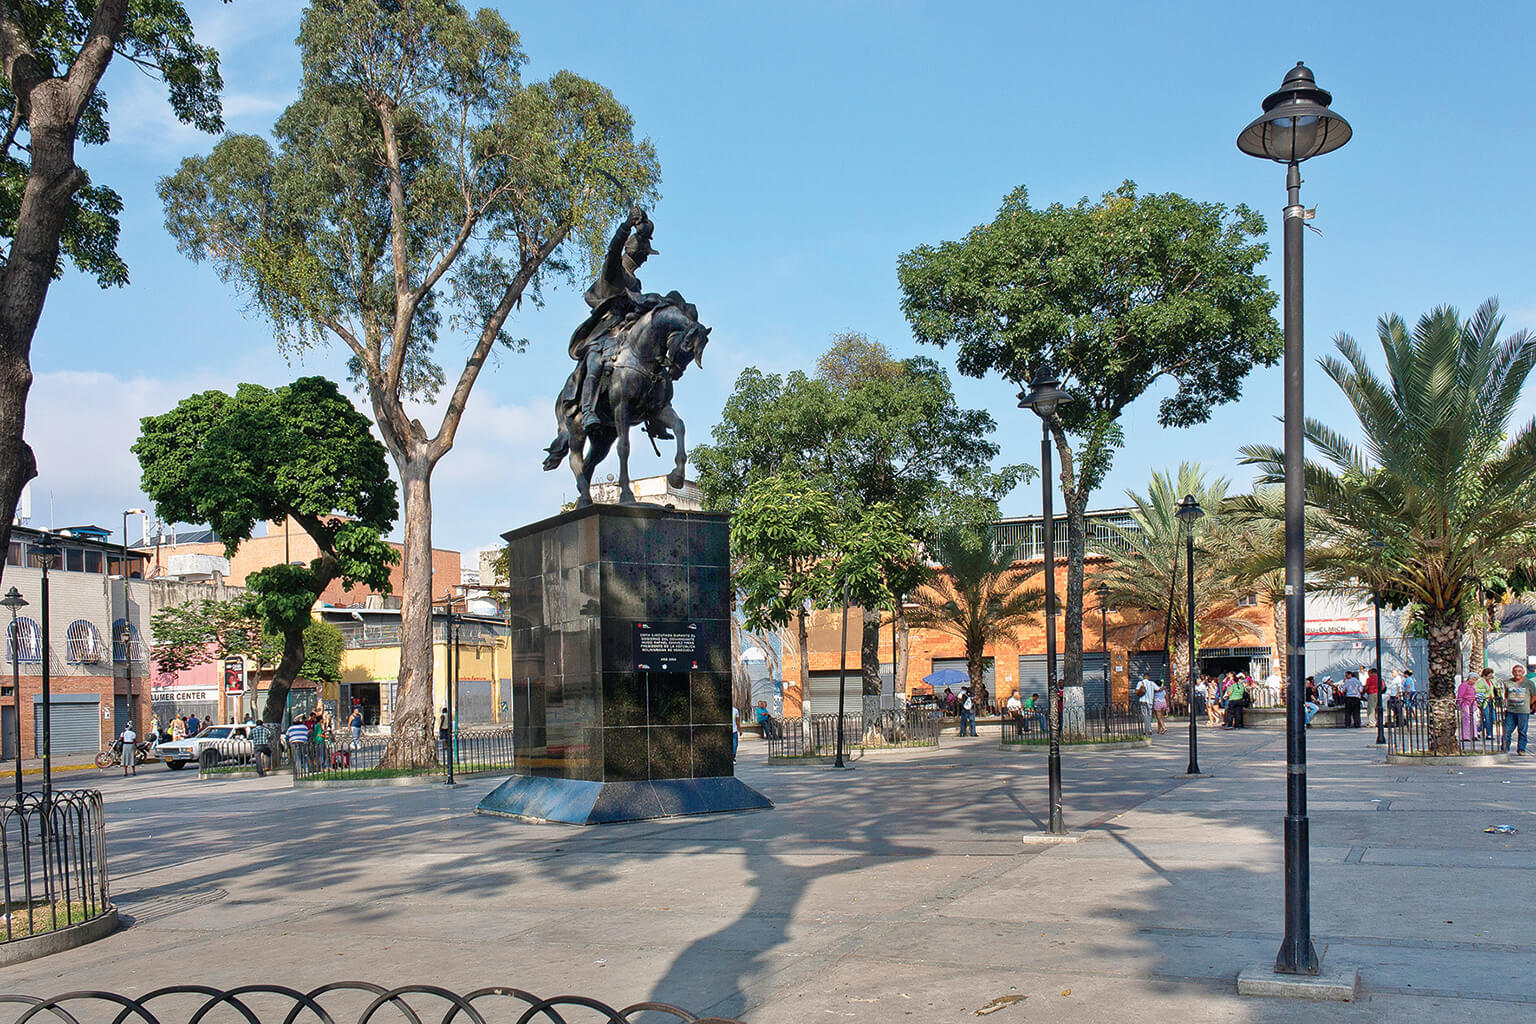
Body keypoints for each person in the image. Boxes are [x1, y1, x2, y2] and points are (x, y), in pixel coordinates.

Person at [1500, 663, 1536, 755]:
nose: (1517, 673)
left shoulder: (1529, 683)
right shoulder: (1508, 683)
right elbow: (1506, 695)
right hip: (1511, 711)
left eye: (1519, 671)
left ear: (1523, 672)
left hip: (1523, 712)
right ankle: (1504, 749)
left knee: (1522, 731)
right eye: (1515, 671)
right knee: (1507, 731)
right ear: (1512, 672)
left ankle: (1521, 749)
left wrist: (1528, 705)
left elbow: (1534, 696)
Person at [1474, 667, 1499, 739]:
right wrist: (1484, 690)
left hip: (1491, 701)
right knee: (1488, 718)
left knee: (1493, 718)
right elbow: (1475, 689)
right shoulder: (1480, 681)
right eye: (1489, 675)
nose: (1490, 677)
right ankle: (1489, 734)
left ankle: (1478, 730)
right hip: (1485, 701)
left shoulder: (1491, 681)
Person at [1456, 674, 1479, 743]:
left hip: (1472, 704)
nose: (1475, 681)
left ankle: (1474, 735)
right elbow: (1460, 696)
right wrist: (1461, 705)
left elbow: (1474, 695)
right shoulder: (1464, 685)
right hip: (1465, 703)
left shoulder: (1472, 686)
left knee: (1473, 719)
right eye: (1474, 679)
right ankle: (1465, 736)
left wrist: (1476, 705)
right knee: (1466, 719)